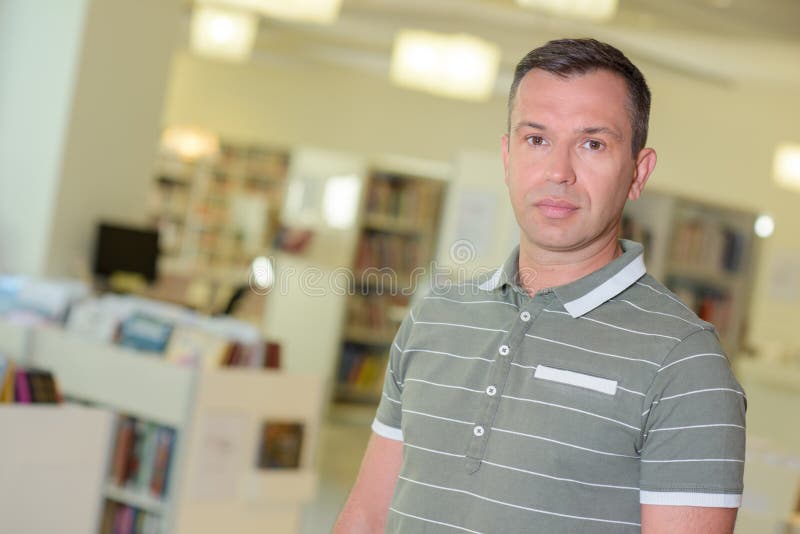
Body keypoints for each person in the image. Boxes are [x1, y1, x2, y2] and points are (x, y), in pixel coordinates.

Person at [334, 38, 746, 533]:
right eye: (536, 140)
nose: (559, 172)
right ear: (507, 156)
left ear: (638, 172)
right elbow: (364, 517)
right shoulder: (435, 314)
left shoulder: (686, 362)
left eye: (593, 144)